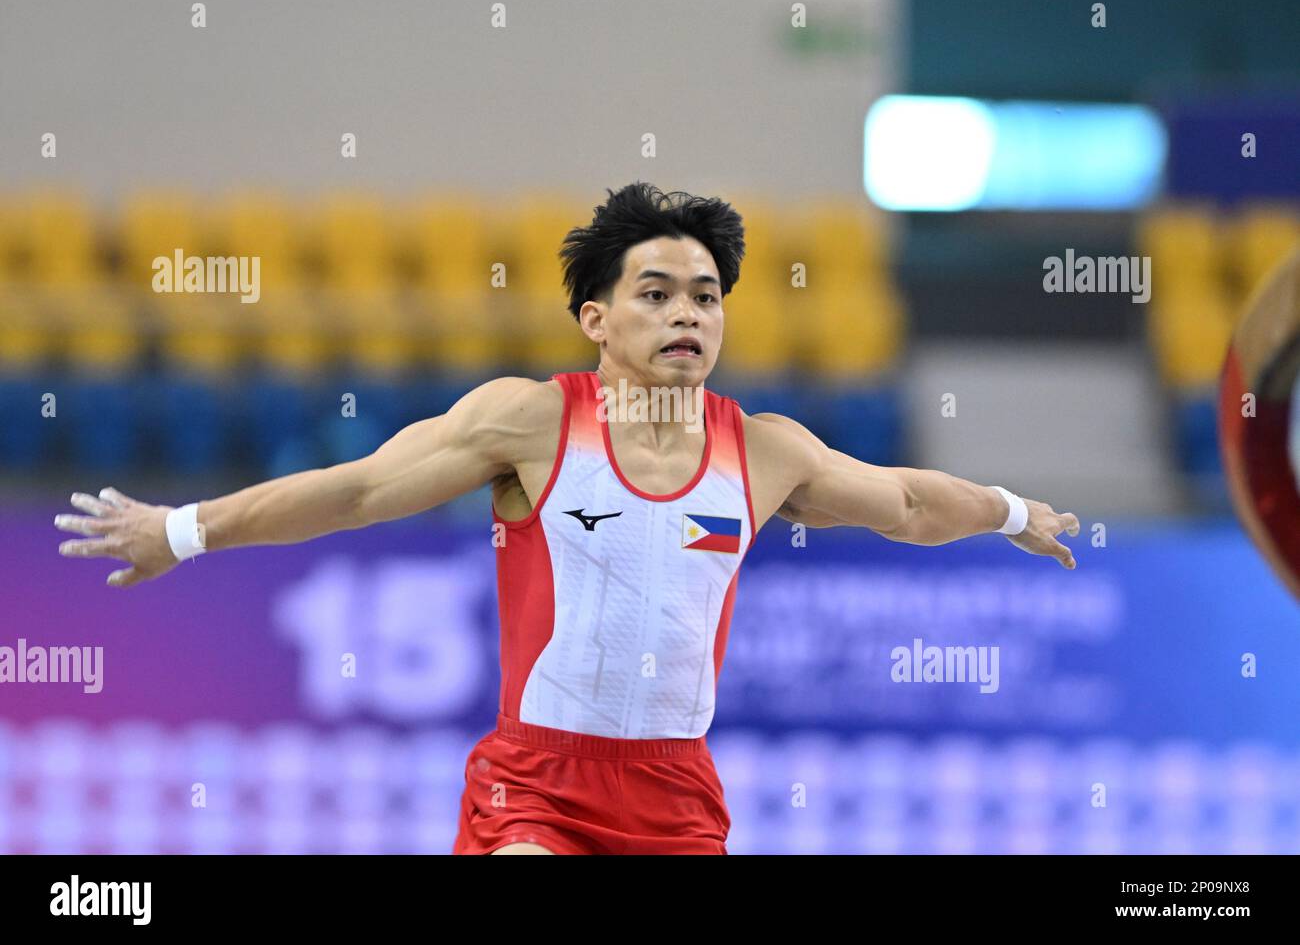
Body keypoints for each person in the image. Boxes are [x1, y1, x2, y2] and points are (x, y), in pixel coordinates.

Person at [55, 181, 1079, 854]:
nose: (688, 313)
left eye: (707, 296)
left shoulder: (766, 451)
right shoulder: (530, 421)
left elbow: (903, 500)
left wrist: (1013, 509)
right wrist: (180, 529)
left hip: (678, 794)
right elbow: (359, 489)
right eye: (658, 292)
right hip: (536, 782)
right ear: (596, 317)